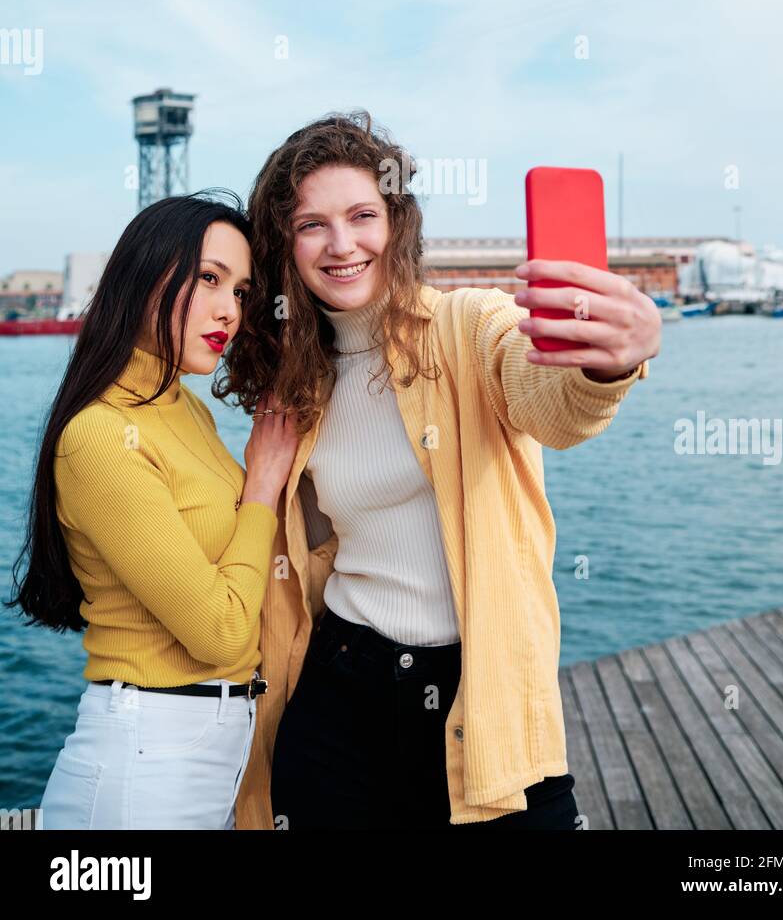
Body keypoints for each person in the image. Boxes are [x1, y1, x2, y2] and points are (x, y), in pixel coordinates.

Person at [222, 111, 659, 830]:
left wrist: (603, 364)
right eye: (311, 225)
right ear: (284, 244)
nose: (341, 245)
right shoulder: (296, 377)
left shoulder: (468, 324)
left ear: (397, 224)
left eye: (363, 215)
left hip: (479, 696)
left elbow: (553, 406)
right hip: (340, 691)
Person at [6, 190, 299, 830]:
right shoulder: (102, 435)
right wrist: (262, 487)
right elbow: (219, 632)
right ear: (144, 278)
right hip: (145, 762)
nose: (230, 310)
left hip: (216, 747)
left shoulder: (184, 407)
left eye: (243, 292)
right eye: (209, 279)